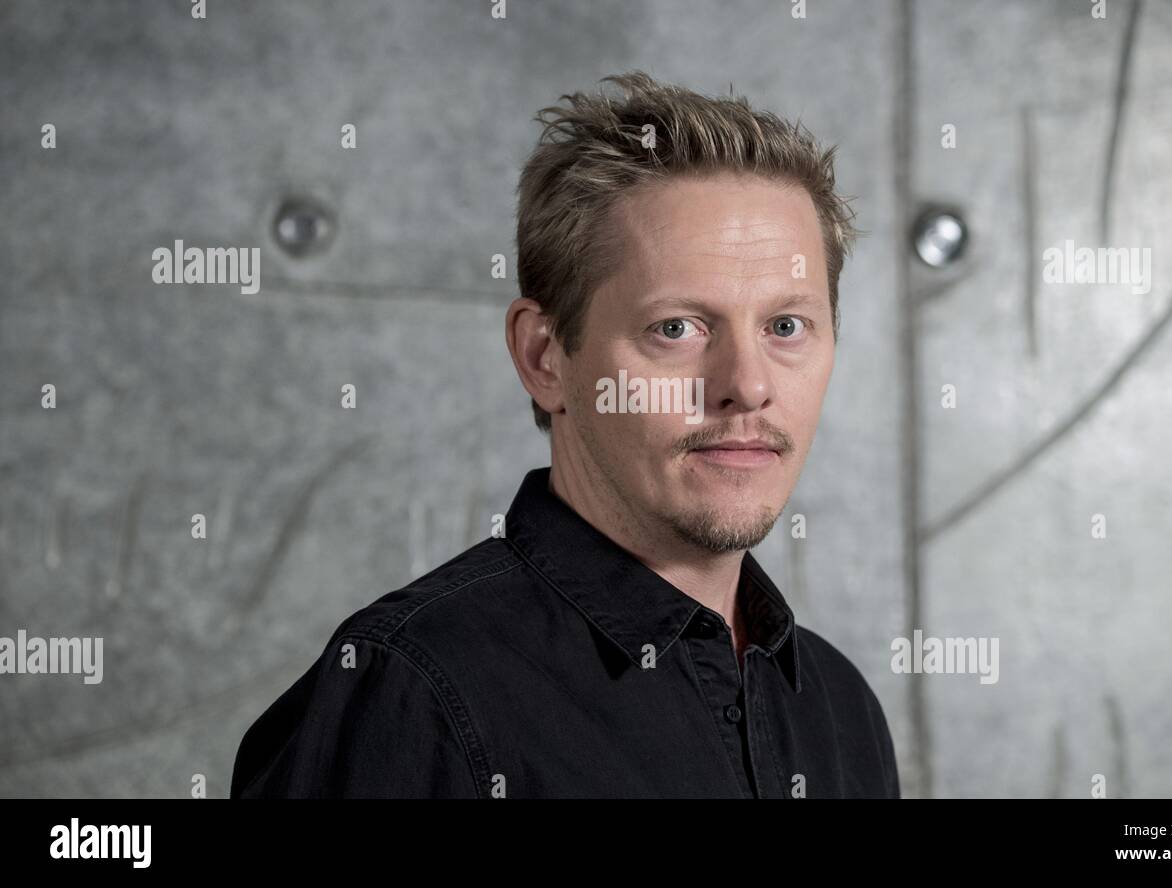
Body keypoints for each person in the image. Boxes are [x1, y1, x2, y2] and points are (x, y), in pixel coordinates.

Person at [231, 71, 899, 799]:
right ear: (545, 357)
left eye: (786, 326)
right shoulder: (413, 691)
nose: (748, 383)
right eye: (676, 328)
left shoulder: (839, 710)